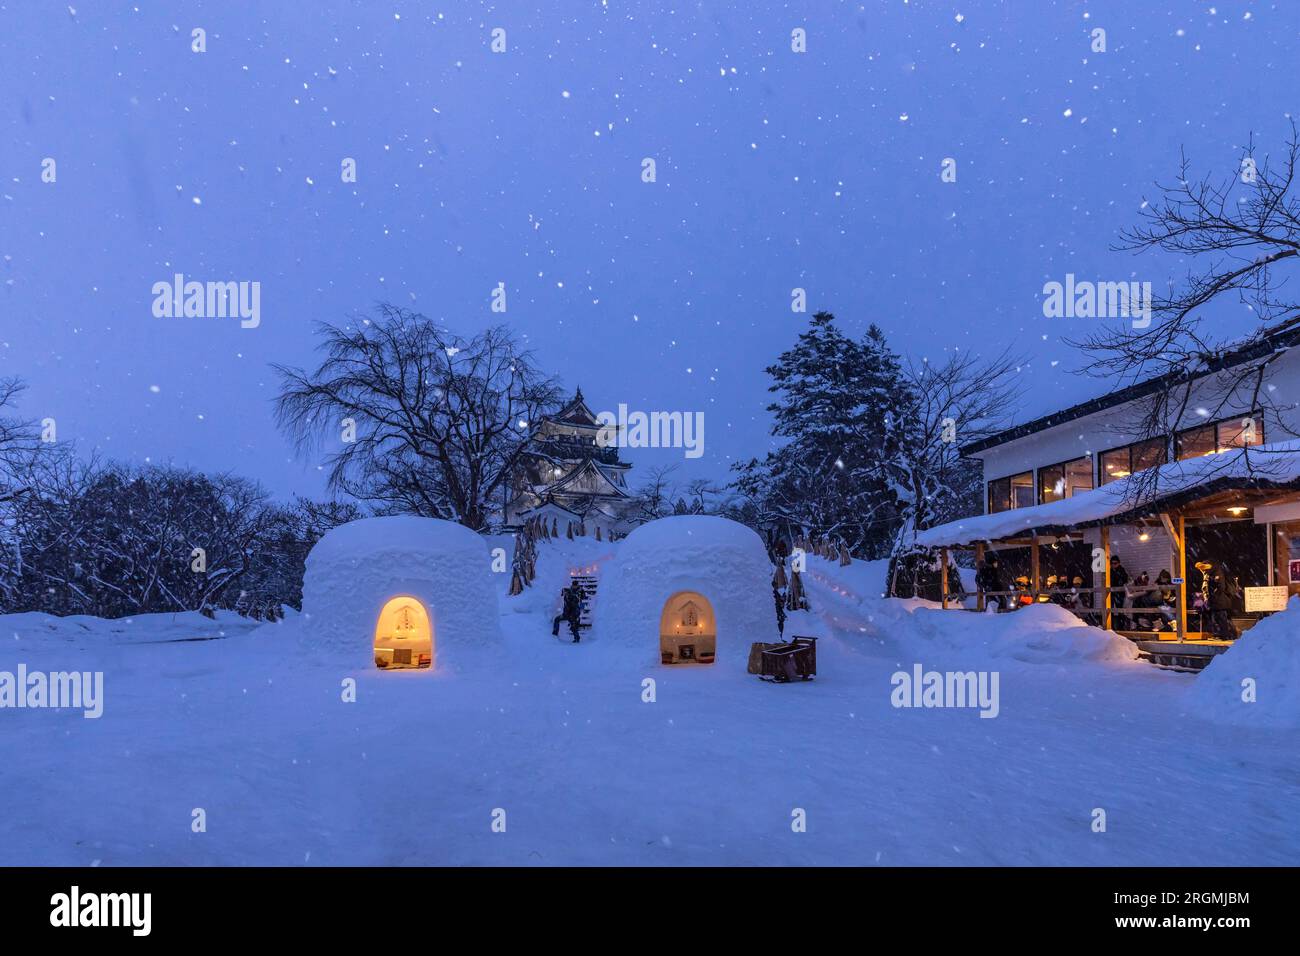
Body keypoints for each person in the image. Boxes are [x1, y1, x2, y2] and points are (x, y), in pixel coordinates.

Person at [1108, 555, 1130, 629]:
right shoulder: (1110, 571)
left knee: (1120, 609)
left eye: (1115, 563)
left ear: (1119, 563)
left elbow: (1124, 580)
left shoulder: (1121, 571)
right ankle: (1110, 626)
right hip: (1111, 592)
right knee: (1109, 608)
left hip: (1119, 592)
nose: (1113, 565)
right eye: (1112, 563)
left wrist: (1118, 582)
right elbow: (1109, 581)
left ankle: (1121, 626)